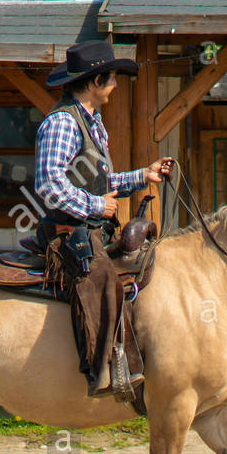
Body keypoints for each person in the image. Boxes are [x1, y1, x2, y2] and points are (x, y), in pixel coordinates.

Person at [33, 41, 174, 397]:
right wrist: (96, 207)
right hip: (68, 231)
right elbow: (50, 185)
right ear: (96, 82)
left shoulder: (91, 122)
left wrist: (144, 175)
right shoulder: (63, 122)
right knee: (101, 280)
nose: (114, 86)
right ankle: (103, 370)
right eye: (111, 79)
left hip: (90, 226)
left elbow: (98, 181)